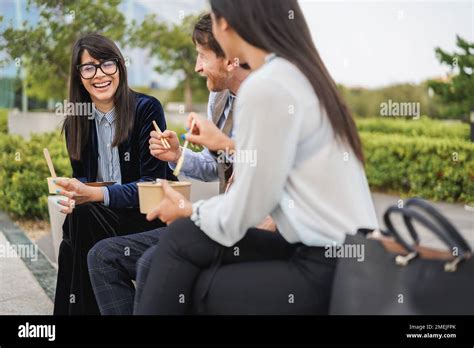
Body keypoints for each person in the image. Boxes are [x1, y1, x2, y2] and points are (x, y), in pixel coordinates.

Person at [135, 0, 379, 315]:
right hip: (333, 251)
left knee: (191, 276)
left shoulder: (268, 86)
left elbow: (246, 209)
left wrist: (187, 209)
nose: (197, 65)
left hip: (328, 265)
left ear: (225, 23)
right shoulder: (299, 74)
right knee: (181, 239)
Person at [86, 14, 253, 315]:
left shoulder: (266, 102)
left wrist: (190, 208)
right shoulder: (219, 99)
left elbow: (263, 172)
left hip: (238, 228)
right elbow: (215, 165)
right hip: (216, 219)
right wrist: (177, 156)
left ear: (230, 59)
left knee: (152, 263)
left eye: (202, 55)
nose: (197, 67)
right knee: (101, 256)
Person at [53, 33, 172, 315]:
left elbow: (152, 185)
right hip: (101, 219)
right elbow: (83, 177)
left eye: (107, 64)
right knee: (78, 216)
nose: (99, 75)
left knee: (76, 231)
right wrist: (75, 193)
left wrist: (94, 194)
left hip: (147, 218)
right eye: (88, 67)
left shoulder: (146, 109)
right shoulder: (77, 121)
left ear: (119, 67)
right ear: (79, 76)